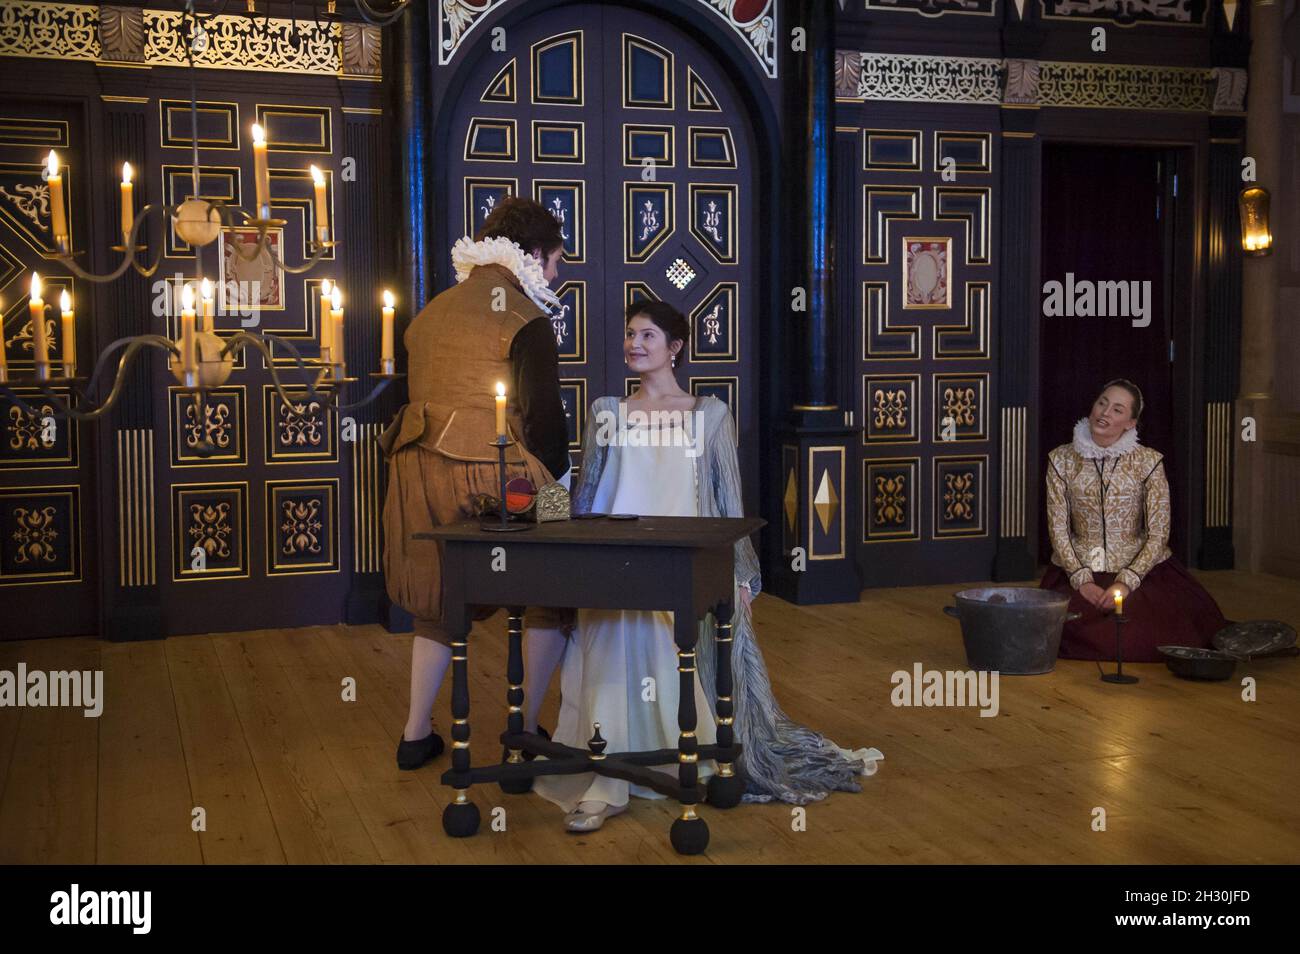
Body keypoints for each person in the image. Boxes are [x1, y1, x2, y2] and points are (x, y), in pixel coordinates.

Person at [533, 301, 882, 831]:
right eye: (630, 334)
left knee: (671, 659)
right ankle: (608, 783)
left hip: (681, 564)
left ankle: (675, 762)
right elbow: (588, 492)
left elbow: (726, 500)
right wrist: (570, 556)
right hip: (615, 560)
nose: (634, 344)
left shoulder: (709, 414)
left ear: (674, 348)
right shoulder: (607, 410)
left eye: (648, 336)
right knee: (605, 657)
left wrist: (739, 574)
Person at [380, 197, 577, 770]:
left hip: (416, 473)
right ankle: (522, 729)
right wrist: (561, 497)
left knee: (439, 603)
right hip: (501, 474)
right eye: (556, 260)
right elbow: (544, 422)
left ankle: (416, 735)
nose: (557, 273)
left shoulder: (431, 312)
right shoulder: (524, 315)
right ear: (534, 254)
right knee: (552, 591)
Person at [1040, 378, 1228, 661]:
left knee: (1147, 633)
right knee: (1059, 631)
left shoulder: (1149, 461)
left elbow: (1158, 533)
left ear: (1130, 422)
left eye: (1117, 409)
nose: (1105, 413)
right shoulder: (1061, 459)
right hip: (1078, 568)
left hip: (1140, 570)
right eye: (1102, 403)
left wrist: (1126, 582)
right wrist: (1082, 580)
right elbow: (1057, 528)